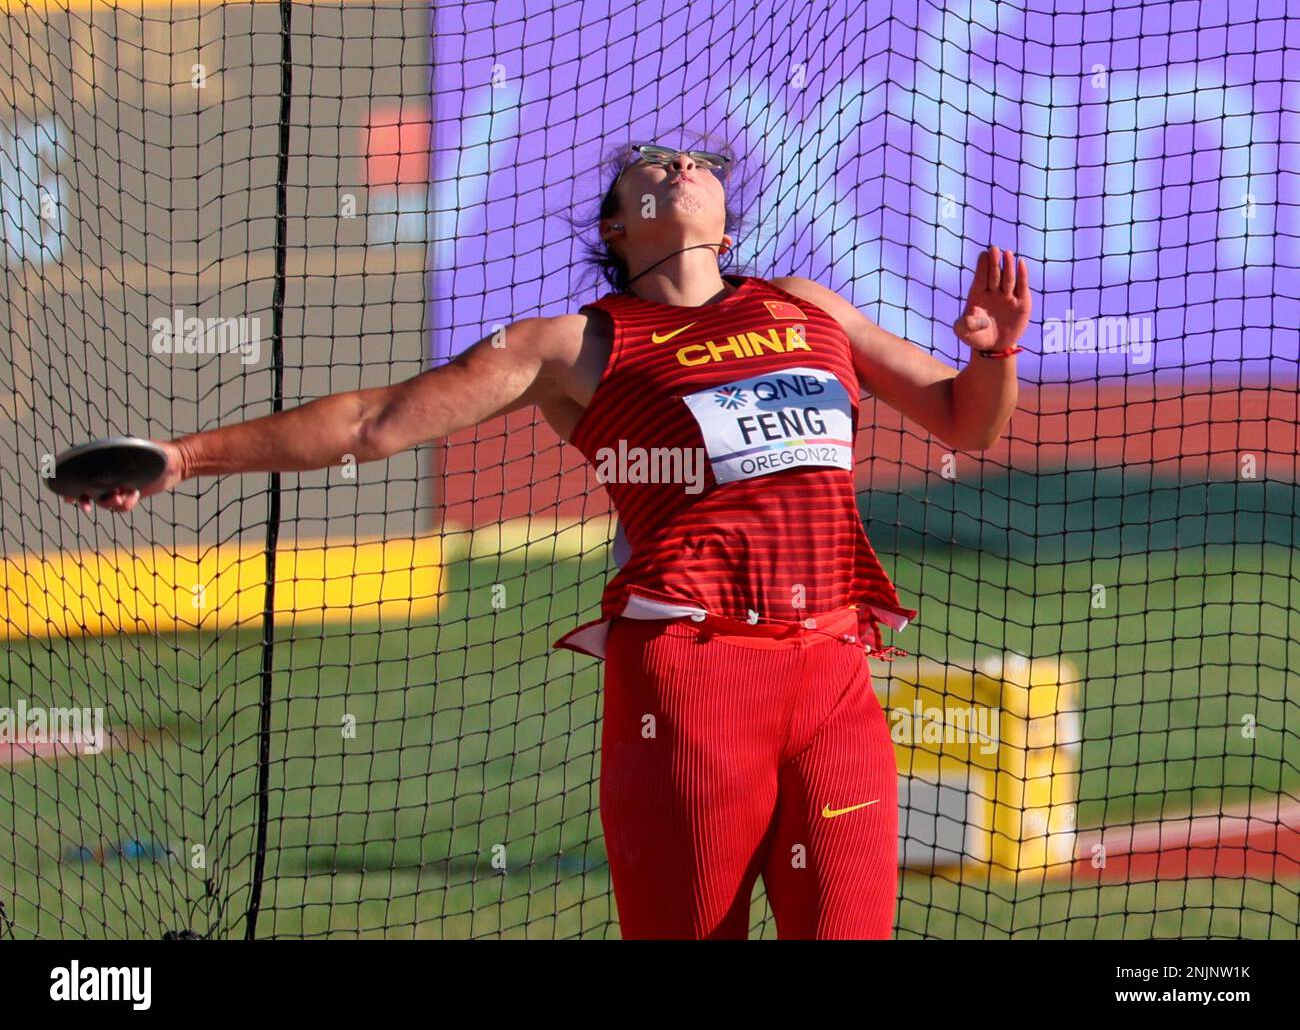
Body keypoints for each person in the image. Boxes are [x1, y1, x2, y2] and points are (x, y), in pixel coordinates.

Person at [68, 140, 1031, 939]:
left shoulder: (807, 308)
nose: (679, 164)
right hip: (691, 676)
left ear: (728, 223)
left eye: (694, 161)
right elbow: (376, 422)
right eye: (650, 169)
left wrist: (995, 353)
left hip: (833, 676)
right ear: (617, 229)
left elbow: (965, 420)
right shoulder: (575, 346)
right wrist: (184, 456)